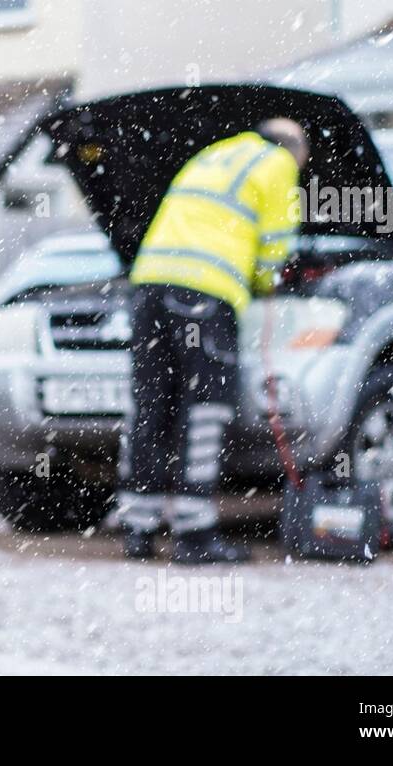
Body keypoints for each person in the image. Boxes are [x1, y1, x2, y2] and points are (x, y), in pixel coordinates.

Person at [112, 118, 310, 564]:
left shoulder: (215, 153)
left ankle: (138, 528)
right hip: (205, 291)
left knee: (151, 403)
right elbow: (276, 245)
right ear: (293, 148)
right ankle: (194, 532)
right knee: (204, 408)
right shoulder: (277, 163)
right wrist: (269, 279)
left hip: (149, 285)